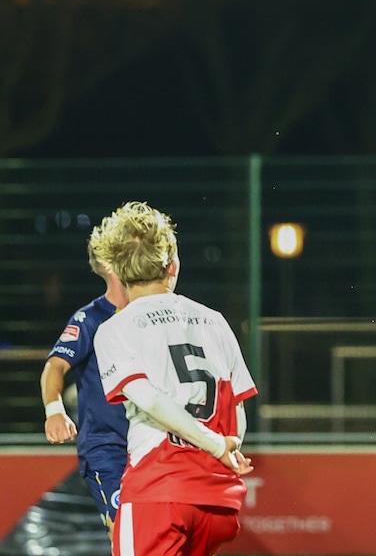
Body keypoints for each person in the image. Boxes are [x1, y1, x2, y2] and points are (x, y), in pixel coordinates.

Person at [91, 202, 257, 556]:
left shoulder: (114, 329)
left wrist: (215, 445)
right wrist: (229, 447)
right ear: (172, 265)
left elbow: (150, 399)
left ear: (116, 272)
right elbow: (237, 403)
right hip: (218, 498)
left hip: (160, 489)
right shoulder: (214, 320)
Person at [40, 244, 130, 532]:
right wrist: (55, 411)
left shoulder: (151, 315)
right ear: (110, 265)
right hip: (109, 449)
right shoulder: (90, 318)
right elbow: (55, 366)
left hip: (154, 445)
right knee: (126, 530)